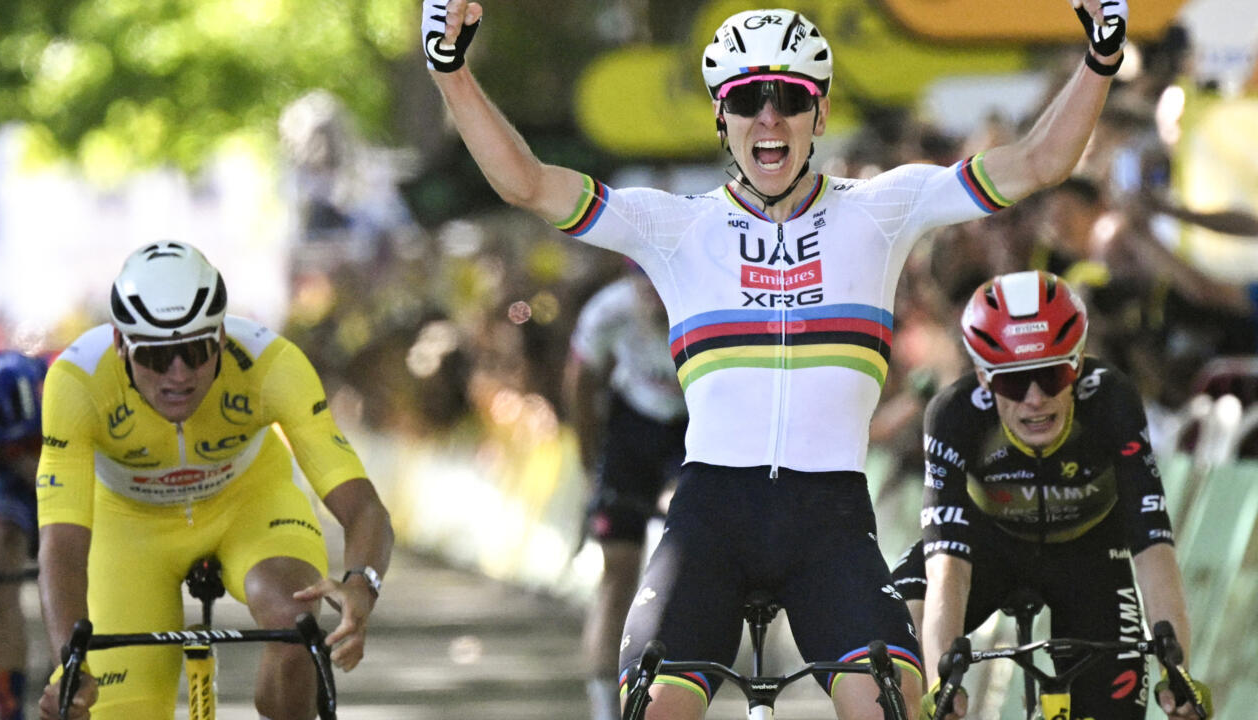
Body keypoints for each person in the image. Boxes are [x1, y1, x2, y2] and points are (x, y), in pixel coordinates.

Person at [423, 0, 1129, 716]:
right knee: (656, 706)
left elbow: (1040, 162)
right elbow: (528, 183)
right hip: (710, 520)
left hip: (830, 521)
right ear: (720, 120)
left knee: (891, 700)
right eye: (746, 100)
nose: (768, 117)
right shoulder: (675, 225)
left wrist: (1102, 56)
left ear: (818, 117)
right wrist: (450, 72)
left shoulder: (883, 209)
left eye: (789, 98)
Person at [35, 241, 395, 719]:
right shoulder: (78, 382)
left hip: (247, 504)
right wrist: (70, 661)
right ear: (121, 344)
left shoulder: (272, 365)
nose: (179, 374)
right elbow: (62, 544)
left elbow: (363, 507)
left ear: (222, 336)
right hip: (130, 524)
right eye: (158, 358)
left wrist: (361, 583)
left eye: (197, 351)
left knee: (296, 626)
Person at [891, 270, 1212, 720]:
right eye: (1014, 383)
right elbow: (948, 566)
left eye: (1051, 373)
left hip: (1091, 551)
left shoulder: (1111, 400)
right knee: (892, 638)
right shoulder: (953, 415)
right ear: (984, 377)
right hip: (987, 546)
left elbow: (1151, 543)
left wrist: (1176, 670)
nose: (1036, 398)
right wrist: (944, 682)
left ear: (1077, 364)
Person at [562, 268, 688, 720]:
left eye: (663, 287)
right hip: (632, 425)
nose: (655, 298)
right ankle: (602, 706)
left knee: (683, 571)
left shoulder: (706, 293)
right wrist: (589, 466)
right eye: (645, 287)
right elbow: (579, 380)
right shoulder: (610, 308)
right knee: (617, 572)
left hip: (691, 428)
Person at [0, 351, 50, 720]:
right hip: (6, 486)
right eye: (12, 445)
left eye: (26, 441)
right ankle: (9, 706)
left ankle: (73, 682)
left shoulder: (65, 382)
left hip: (73, 467)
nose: (22, 452)